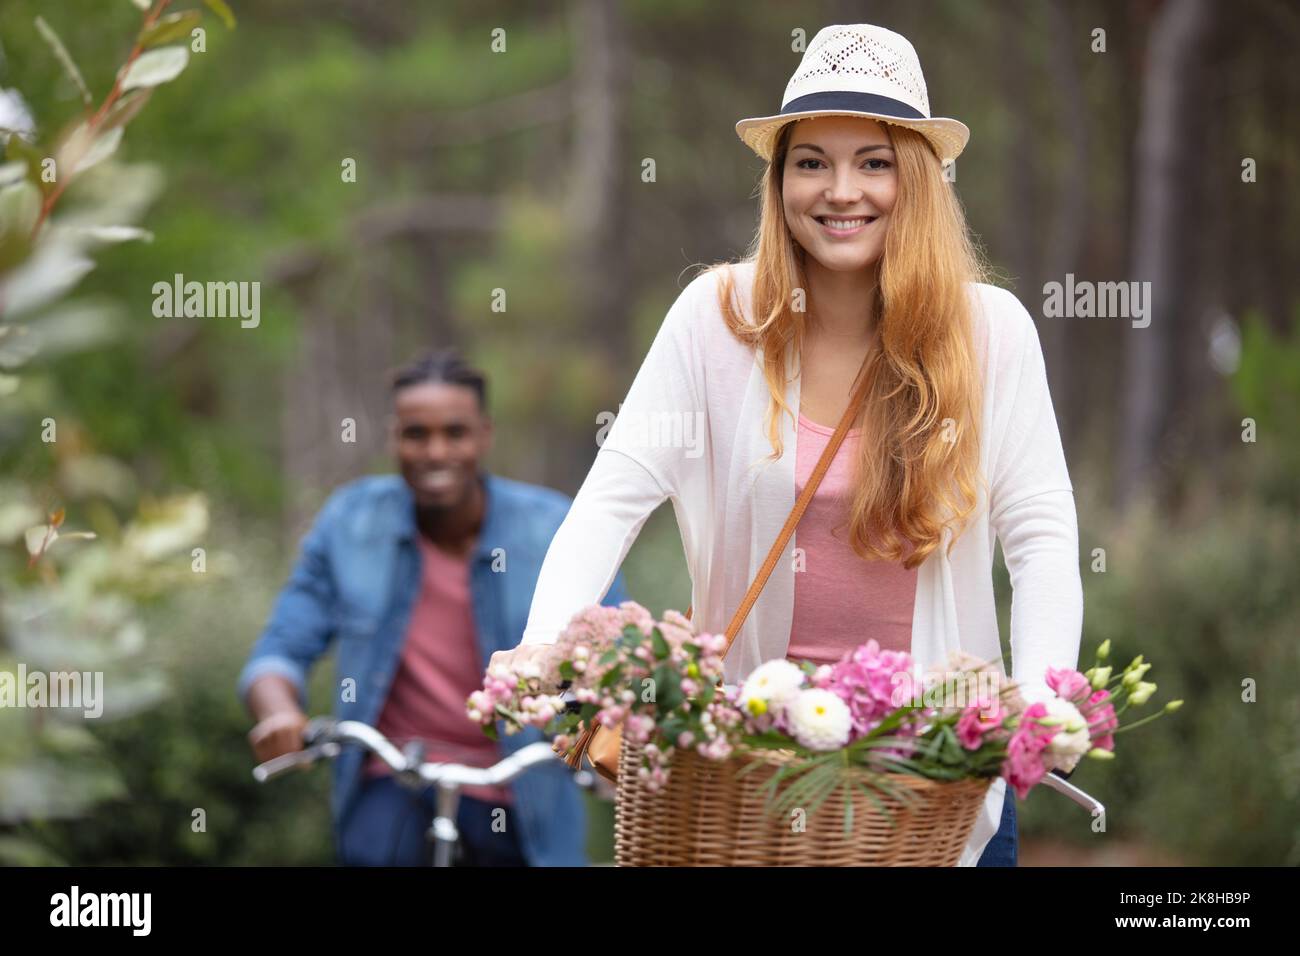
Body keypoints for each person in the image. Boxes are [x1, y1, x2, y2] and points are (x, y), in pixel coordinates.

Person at [490, 24, 1083, 867]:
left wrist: (1040, 697)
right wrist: (546, 645)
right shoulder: (715, 319)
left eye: (874, 162)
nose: (842, 191)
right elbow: (612, 497)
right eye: (812, 162)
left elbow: (1041, 532)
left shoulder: (992, 333)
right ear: (780, 182)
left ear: (916, 175)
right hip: (749, 780)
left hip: (937, 783)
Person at [238, 348, 630, 866]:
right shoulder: (351, 523)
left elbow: (617, 655)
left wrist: (597, 724)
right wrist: (281, 713)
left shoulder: (553, 527)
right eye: (416, 434)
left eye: (455, 432)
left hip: (519, 787)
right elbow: (281, 649)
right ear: (393, 438)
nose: (436, 452)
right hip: (396, 777)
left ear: (484, 435)